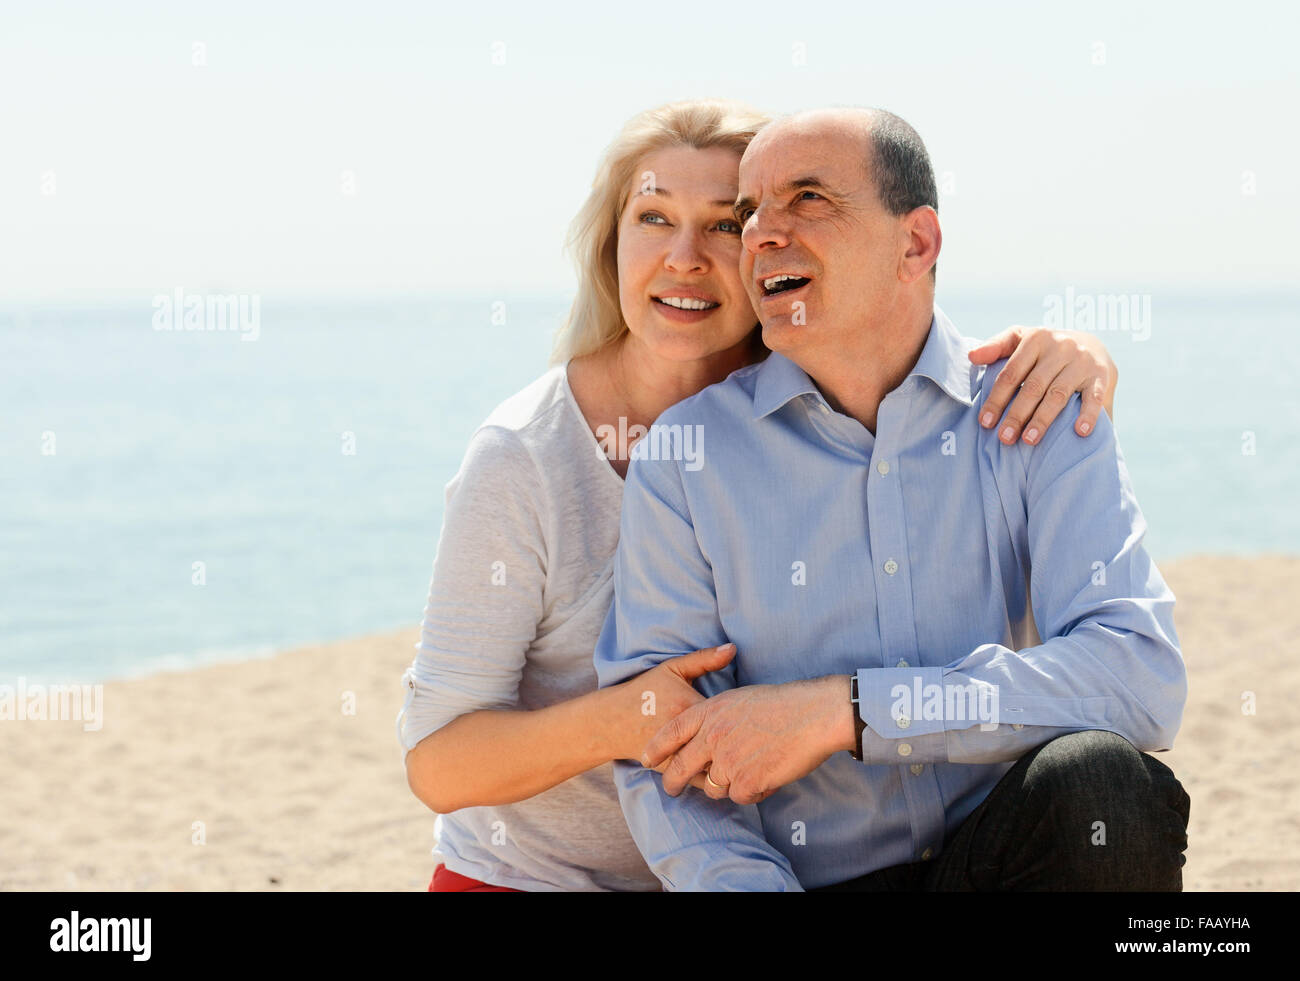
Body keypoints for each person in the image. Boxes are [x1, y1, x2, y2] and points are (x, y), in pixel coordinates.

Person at [398, 99, 1124, 892]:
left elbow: (900, 321)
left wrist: (1079, 354)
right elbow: (437, 760)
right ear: (610, 249)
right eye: (652, 218)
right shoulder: (525, 460)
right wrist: (627, 717)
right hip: (543, 877)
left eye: (723, 223)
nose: (685, 257)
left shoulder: (846, 395)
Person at [593, 106, 1189, 891]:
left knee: (1103, 781)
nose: (761, 234)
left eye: (808, 198)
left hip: (1004, 859)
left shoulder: (1041, 406)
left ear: (915, 244)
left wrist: (851, 711)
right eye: (749, 213)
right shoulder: (685, 458)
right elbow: (668, 758)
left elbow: (1140, 678)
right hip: (808, 882)